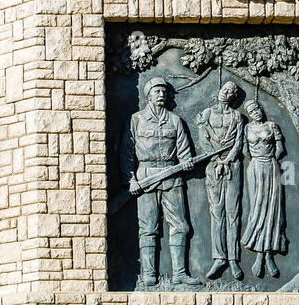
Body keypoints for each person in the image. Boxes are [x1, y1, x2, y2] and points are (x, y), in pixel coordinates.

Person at [119, 77, 200, 286]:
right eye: (157, 91)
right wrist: (131, 179)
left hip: (172, 176)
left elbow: (184, 152)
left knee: (180, 226)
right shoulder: (136, 120)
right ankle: (149, 273)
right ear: (148, 95)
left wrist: (187, 162)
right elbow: (127, 154)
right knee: (148, 228)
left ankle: (179, 273)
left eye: (164, 91)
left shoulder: (175, 121)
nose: (161, 95)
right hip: (146, 178)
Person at [195, 81, 246, 280]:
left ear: (234, 97)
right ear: (219, 91)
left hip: (232, 166)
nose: (227, 93)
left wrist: (227, 160)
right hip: (213, 167)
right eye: (225, 89)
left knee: (233, 212)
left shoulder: (237, 116)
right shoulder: (206, 114)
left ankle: (234, 259)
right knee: (217, 212)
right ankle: (219, 258)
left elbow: (239, 141)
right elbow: (203, 139)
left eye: (231, 91)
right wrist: (217, 160)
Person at [239, 101, 287, 278]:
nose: (255, 112)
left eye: (257, 109)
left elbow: (280, 148)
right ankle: (258, 256)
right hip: (256, 168)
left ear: (261, 109)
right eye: (251, 111)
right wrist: (257, 160)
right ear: (249, 113)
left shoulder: (272, 126)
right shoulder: (246, 129)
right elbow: (245, 150)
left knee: (272, 210)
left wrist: (270, 159)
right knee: (258, 208)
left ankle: (268, 255)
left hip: (272, 167)